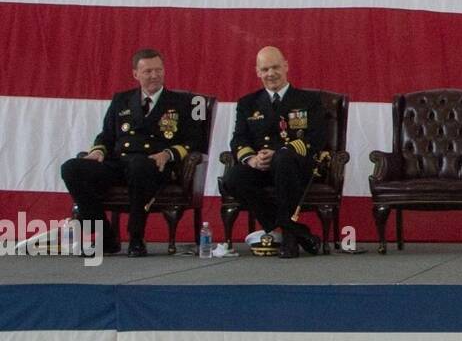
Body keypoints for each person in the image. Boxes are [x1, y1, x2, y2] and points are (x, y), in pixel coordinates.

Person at [61, 48, 200, 257]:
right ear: (136, 74)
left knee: (139, 166)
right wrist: (97, 151)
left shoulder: (182, 103)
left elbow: (194, 140)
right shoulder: (121, 100)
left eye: (158, 70)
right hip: (119, 163)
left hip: (155, 165)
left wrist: (168, 154)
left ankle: (136, 237)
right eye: (148, 71)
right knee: (71, 168)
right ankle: (106, 237)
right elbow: (106, 135)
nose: (154, 75)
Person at [224, 47, 325, 258]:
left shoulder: (309, 100)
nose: (271, 73)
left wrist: (278, 152)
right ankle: (297, 231)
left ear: (286, 66)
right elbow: (239, 139)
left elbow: (315, 139)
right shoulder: (247, 103)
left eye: (276, 67)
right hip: (261, 167)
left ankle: (289, 239)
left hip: (296, 166)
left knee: (284, 159)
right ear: (258, 72)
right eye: (265, 69)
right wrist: (251, 159)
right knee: (232, 178)